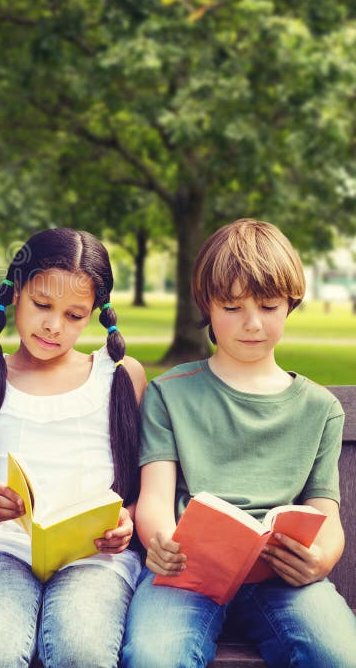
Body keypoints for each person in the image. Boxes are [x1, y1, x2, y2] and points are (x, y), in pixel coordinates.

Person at [121, 218, 356, 668]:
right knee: (155, 656)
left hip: (279, 579)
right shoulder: (170, 393)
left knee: (338, 654)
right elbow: (154, 498)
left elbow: (326, 512)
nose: (252, 324)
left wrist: (321, 560)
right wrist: (161, 541)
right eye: (232, 308)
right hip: (187, 571)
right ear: (207, 307)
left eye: (268, 306)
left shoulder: (321, 409)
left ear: (291, 304)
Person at [0, 227, 147, 668]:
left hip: (95, 555)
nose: (54, 326)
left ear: (96, 313)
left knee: (81, 649)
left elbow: (138, 488)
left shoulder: (118, 376)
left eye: (75, 315)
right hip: (8, 548)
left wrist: (126, 521)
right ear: (16, 291)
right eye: (42, 305)